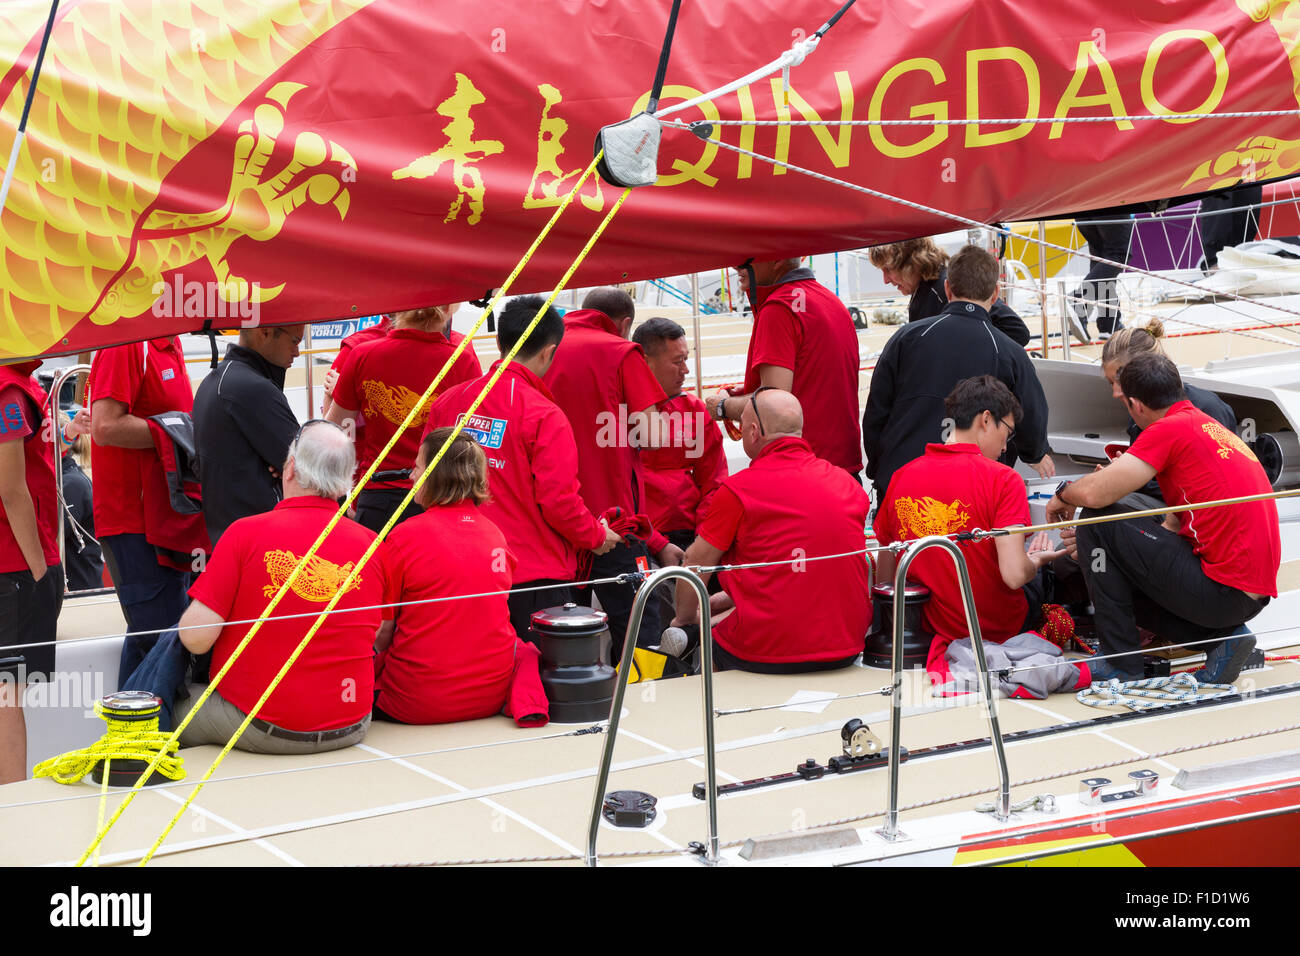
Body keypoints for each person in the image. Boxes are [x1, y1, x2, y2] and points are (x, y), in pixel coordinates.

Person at [1047, 353, 1278, 684]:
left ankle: (1120, 661)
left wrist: (1062, 493)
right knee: (1116, 552)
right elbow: (1173, 522)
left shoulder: (1169, 428)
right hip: (1248, 594)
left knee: (1096, 520)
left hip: (1223, 592)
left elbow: (1096, 495)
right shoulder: (1205, 424)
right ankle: (1223, 639)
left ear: (1137, 406)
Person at [170, 420, 384, 753]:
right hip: (353, 721)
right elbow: (380, 633)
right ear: (345, 482)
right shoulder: (372, 544)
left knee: (162, 704)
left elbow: (195, 639)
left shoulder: (244, 535)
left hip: (262, 726)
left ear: (290, 468)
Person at [427, 295, 620, 644]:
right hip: (531, 579)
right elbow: (559, 502)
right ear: (548, 352)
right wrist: (596, 536)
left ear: (502, 341)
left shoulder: (448, 402)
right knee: (534, 686)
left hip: (456, 573)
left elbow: (425, 483)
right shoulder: (544, 415)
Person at [874, 377, 1066, 676]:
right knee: (1048, 576)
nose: (1006, 446)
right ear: (987, 419)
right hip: (992, 629)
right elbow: (1014, 576)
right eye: (1008, 432)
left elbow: (887, 574)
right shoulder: (1003, 480)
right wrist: (1035, 562)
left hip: (923, 630)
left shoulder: (901, 476)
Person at [672, 390, 871, 672]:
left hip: (764, 651)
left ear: (753, 432)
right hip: (847, 643)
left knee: (701, 643)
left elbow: (695, 563)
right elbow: (802, 565)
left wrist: (685, 618)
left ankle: (716, 711)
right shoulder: (846, 484)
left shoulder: (738, 490)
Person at [543, 287, 676, 658]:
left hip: (553, 519)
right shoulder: (620, 351)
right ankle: (645, 702)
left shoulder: (544, 347)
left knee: (562, 630)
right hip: (615, 521)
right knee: (639, 628)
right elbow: (653, 437)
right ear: (625, 324)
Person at [863, 244, 1054, 501]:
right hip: (971, 492)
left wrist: (878, 468)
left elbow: (876, 411)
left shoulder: (905, 338)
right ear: (996, 293)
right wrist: (1036, 453)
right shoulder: (1010, 352)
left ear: (947, 289)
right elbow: (1031, 411)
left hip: (903, 482)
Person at [374, 428, 529, 723]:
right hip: (489, 696)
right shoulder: (494, 535)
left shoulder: (403, 538)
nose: (411, 476)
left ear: (434, 475)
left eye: (417, 467)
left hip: (416, 703)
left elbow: (383, 633)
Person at [87, 336, 197, 681]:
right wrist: (180, 432)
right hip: (133, 521)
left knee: (151, 640)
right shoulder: (127, 342)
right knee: (162, 642)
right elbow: (103, 426)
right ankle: (143, 731)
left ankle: (127, 732)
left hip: (167, 519)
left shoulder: (170, 341)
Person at [327, 305, 481, 532]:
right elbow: (474, 442)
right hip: (439, 495)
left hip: (377, 496)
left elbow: (333, 431)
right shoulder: (461, 361)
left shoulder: (362, 354)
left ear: (397, 307)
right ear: (449, 309)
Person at [707, 257, 863, 478]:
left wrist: (722, 406)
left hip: (801, 473)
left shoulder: (779, 307)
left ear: (777, 259)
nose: (735, 266)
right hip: (841, 471)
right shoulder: (829, 299)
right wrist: (747, 391)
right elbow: (813, 379)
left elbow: (773, 407)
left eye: (745, 257)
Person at [0, 360, 64, 784]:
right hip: (17, 566)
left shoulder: (19, 385)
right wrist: (40, 569)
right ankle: (14, 805)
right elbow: (10, 487)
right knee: (7, 695)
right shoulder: (9, 391)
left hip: (19, 564)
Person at [1099, 319, 1236, 504]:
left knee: (1111, 507)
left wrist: (1127, 479)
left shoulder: (1208, 410)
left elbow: (1208, 491)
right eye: (1111, 383)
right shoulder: (1138, 413)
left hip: (1199, 513)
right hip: (1165, 506)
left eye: (1121, 380)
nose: (1115, 392)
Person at [192, 324, 304, 546]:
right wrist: (285, 471)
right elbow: (311, 470)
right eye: (295, 341)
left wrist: (284, 468)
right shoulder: (252, 388)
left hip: (232, 538)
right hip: (264, 541)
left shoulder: (216, 380)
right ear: (265, 332)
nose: (298, 352)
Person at [632, 317, 729, 552]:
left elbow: (715, 482)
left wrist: (702, 540)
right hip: (636, 536)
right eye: (678, 361)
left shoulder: (694, 410)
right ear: (645, 362)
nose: (686, 370)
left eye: (686, 359)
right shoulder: (617, 412)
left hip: (691, 534)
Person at [869, 237, 1031, 345]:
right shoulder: (926, 291)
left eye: (888, 269)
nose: (885, 280)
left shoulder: (950, 286)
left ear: (912, 263)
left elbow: (1017, 331)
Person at [1068, 214, 1134, 342]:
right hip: (1112, 204)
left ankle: (1109, 324)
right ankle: (1080, 301)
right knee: (1119, 255)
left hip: (1083, 205)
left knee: (1102, 257)